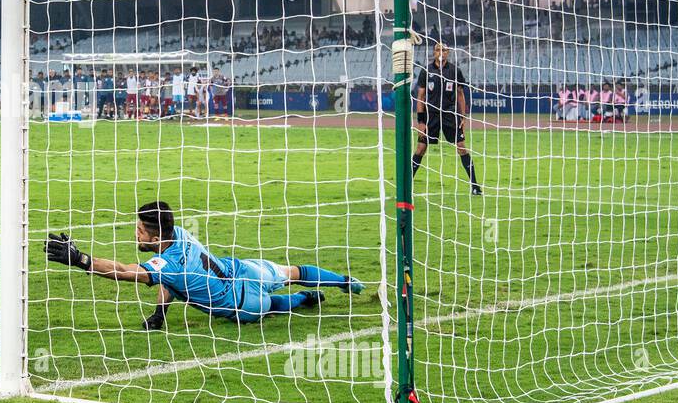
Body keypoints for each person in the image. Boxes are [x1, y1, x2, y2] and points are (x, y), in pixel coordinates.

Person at [44, 201, 364, 330]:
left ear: (156, 237)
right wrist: (160, 313)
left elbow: (128, 271)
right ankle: (345, 282)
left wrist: (81, 260)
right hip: (243, 269)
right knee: (292, 272)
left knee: (273, 305)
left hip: (242, 305)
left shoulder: (164, 264)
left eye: (140, 229)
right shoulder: (179, 233)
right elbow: (170, 279)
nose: (135, 233)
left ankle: (303, 301)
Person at [411, 41, 483, 196]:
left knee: (462, 147)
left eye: (444, 50)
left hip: (450, 115)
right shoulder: (426, 71)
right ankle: (407, 185)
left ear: (448, 53)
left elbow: (461, 95)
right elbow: (420, 97)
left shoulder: (455, 71)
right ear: (434, 52)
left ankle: (475, 186)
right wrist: (421, 122)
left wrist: (463, 116)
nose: (441, 52)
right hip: (431, 116)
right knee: (421, 148)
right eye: (438, 50)